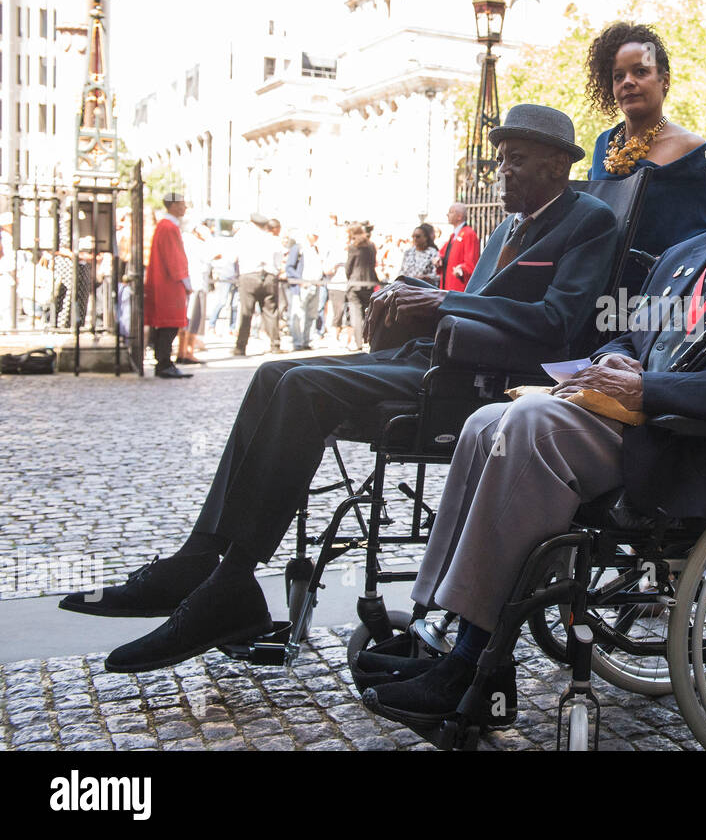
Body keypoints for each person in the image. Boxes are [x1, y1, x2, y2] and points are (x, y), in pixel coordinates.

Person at [362, 96, 706, 728]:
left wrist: (650, 391)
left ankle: (475, 661)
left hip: (704, 446)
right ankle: (442, 633)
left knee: (523, 425)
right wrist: (614, 363)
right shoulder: (688, 255)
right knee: (485, 420)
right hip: (635, 423)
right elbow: (629, 338)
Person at [61, 105, 619, 675]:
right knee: (273, 372)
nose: (501, 173)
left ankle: (231, 581)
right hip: (434, 356)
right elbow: (475, 305)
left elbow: (558, 322)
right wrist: (407, 294)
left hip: (488, 383)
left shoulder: (589, 219)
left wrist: (443, 301)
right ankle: (202, 555)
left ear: (557, 166)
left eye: (516, 162)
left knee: (303, 385)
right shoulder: (507, 225)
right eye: (501, 161)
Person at [587, 22, 706, 294]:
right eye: (618, 76)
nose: (628, 82)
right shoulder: (603, 145)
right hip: (598, 291)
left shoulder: (695, 150)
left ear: (665, 80)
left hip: (661, 297)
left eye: (640, 72)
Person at [143, 192, 194, 380]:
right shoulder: (168, 227)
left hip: (166, 281)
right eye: (182, 204)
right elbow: (175, 258)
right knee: (169, 323)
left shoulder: (166, 226)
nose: (184, 207)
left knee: (167, 324)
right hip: (169, 284)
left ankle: (164, 361)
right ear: (173, 205)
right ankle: (164, 362)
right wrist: (185, 281)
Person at [232, 213, 282, 356]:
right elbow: (278, 260)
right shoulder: (271, 238)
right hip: (269, 276)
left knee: (246, 312)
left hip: (249, 275)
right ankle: (275, 345)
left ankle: (241, 347)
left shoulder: (242, 235)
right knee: (270, 312)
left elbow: (232, 257)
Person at [177, 221, 213, 365]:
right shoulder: (194, 243)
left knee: (189, 318)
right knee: (192, 318)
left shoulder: (188, 241)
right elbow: (211, 255)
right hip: (195, 283)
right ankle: (187, 351)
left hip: (193, 283)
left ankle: (183, 351)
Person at [343, 223, 379, 351]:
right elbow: (374, 263)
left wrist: (350, 278)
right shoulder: (371, 246)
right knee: (368, 313)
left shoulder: (353, 247)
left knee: (356, 314)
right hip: (369, 283)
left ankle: (359, 342)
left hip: (355, 284)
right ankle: (368, 341)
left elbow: (348, 267)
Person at [287, 229, 325, 351]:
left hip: (315, 285)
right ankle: (298, 342)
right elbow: (289, 267)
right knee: (298, 314)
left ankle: (306, 340)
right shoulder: (298, 248)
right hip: (302, 285)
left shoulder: (316, 249)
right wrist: (300, 280)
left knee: (312, 314)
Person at [436, 204, 479, 292]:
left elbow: (471, 262)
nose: (447, 214)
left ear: (459, 216)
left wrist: (462, 269)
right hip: (448, 283)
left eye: (451, 212)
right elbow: (442, 253)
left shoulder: (468, 234)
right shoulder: (454, 235)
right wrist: (438, 259)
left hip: (459, 285)